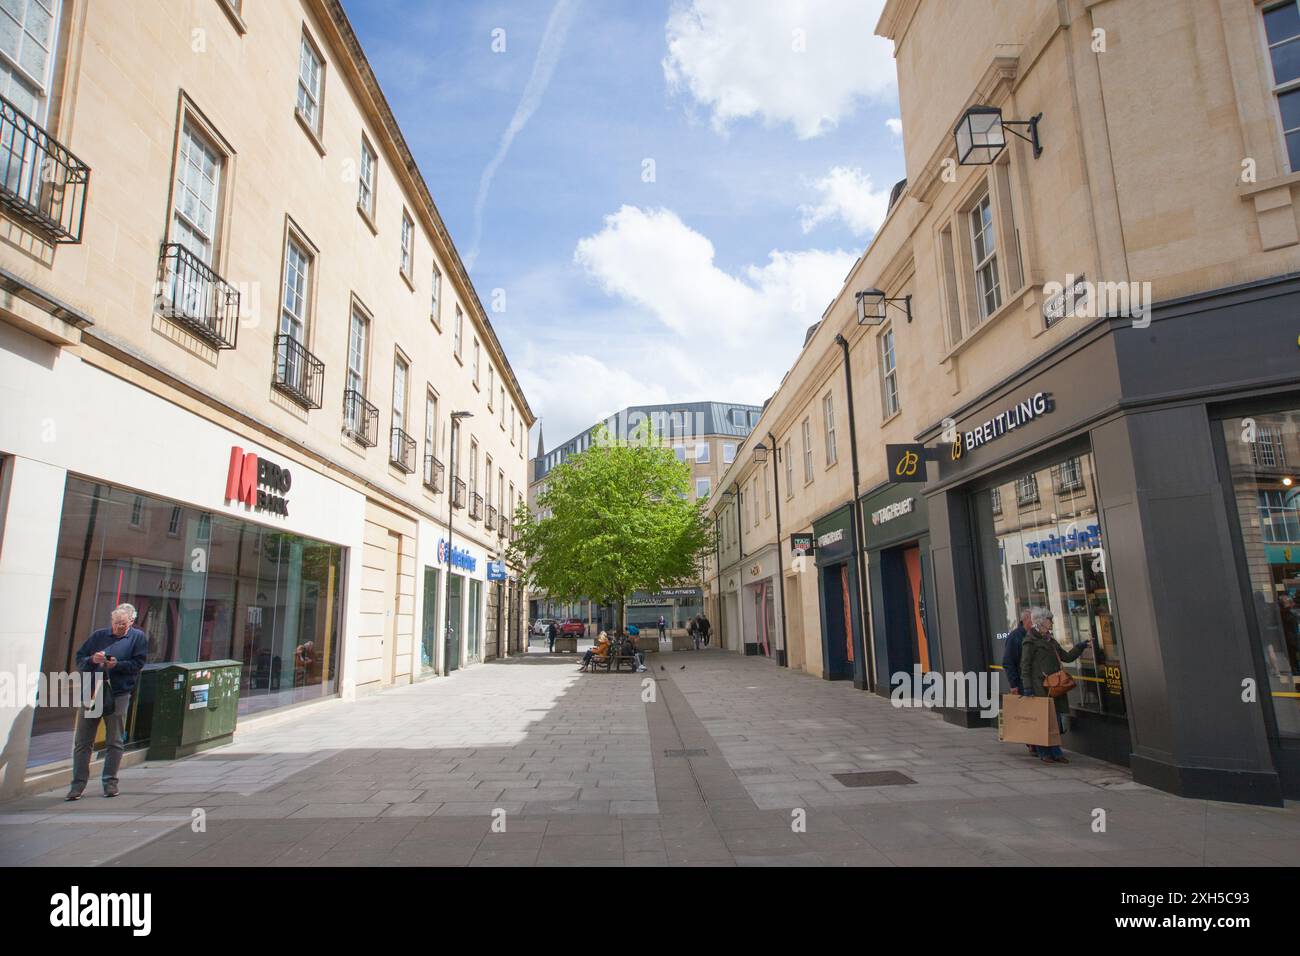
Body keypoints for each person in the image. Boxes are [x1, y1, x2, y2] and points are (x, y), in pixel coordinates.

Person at [68, 603, 149, 800]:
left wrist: (117, 665)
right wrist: (92, 660)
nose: (117, 628)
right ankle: (77, 786)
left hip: (118, 693)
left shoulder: (137, 638)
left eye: (122, 624)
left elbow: (138, 664)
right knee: (83, 741)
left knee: (115, 740)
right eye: (115, 623)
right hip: (93, 692)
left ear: (131, 622)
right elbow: (80, 659)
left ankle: (110, 783)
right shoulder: (98, 636)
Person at [1019, 607, 1091, 764]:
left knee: (1056, 720)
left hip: (1056, 686)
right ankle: (1044, 751)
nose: (1051, 622)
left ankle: (1056, 751)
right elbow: (1025, 666)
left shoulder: (1050, 640)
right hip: (1040, 687)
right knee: (1044, 720)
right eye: (1049, 619)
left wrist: (1079, 647)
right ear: (1040, 622)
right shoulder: (1030, 641)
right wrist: (1028, 688)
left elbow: (1065, 657)